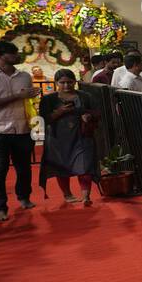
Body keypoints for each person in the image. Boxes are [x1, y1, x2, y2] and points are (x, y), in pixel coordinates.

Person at [0, 40, 40, 222]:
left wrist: (31, 96)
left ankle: (24, 197)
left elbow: (28, 100)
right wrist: (18, 96)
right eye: (12, 52)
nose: (17, 55)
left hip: (23, 129)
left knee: (24, 169)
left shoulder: (24, 76)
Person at [38, 69, 100, 206]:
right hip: (57, 138)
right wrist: (59, 112)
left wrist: (89, 116)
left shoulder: (85, 96)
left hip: (82, 136)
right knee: (62, 167)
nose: (66, 85)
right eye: (62, 82)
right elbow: (43, 119)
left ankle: (86, 196)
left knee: (85, 166)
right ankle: (67, 194)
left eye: (70, 82)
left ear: (75, 82)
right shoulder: (49, 99)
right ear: (56, 83)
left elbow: (97, 112)